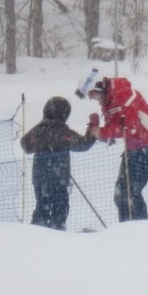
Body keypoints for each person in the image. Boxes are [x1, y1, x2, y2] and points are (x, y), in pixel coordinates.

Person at [78, 70, 148, 222]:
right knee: (121, 194)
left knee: (130, 193)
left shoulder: (123, 95)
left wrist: (105, 133)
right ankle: (125, 229)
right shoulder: (108, 99)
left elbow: (130, 127)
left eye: (94, 95)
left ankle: (139, 229)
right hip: (134, 147)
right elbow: (115, 124)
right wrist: (104, 133)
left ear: (100, 87)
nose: (96, 100)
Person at [19, 96, 96, 230]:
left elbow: (25, 145)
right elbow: (84, 144)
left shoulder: (38, 131)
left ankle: (36, 231)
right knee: (60, 207)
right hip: (59, 177)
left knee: (42, 205)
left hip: (40, 178)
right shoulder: (64, 133)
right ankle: (57, 231)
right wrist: (93, 127)